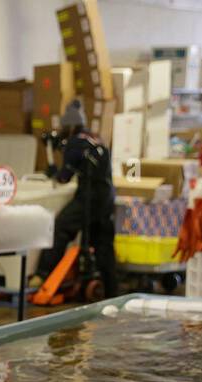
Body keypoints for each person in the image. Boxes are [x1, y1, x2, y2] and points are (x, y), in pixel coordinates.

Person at [36, 100, 118, 298]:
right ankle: (112, 291)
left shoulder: (74, 143)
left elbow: (64, 178)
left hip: (89, 198)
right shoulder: (96, 139)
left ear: (69, 126)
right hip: (107, 198)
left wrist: (54, 171)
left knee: (61, 227)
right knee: (103, 245)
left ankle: (42, 274)